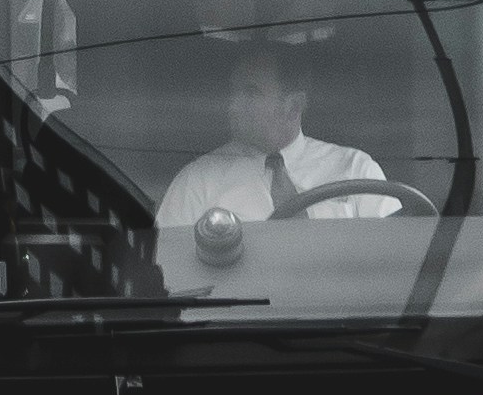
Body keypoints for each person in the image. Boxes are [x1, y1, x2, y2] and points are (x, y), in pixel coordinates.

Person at [159, 39, 399, 257]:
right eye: (233, 92)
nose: (232, 105)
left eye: (250, 93)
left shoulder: (356, 169)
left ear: (294, 106)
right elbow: (162, 270)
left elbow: (395, 259)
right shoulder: (197, 180)